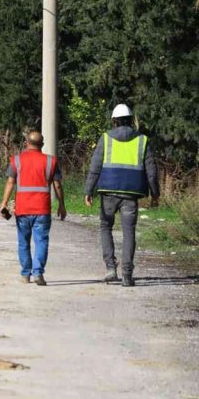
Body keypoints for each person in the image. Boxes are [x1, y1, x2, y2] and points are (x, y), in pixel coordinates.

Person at [84, 104, 159, 287]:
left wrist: (88, 190)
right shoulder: (142, 140)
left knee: (105, 227)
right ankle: (127, 274)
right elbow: (151, 171)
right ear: (131, 119)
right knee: (129, 233)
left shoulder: (105, 138)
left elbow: (95, 167)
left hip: (108, 192)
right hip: (131, 194)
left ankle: (111, 268)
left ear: (114, 121)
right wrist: (155, 193)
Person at [0, 130, 68, 286]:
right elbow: (57, 184)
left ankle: (25, 274)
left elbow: (10, 182)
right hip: (42, 210)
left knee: (23, 242)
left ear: (26, 143)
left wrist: (4, 203)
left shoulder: (16, 160)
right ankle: (38, 273)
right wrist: (62, 205)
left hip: (23, 210)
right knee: (41, 241)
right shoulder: (51, 161)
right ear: (42, 144)